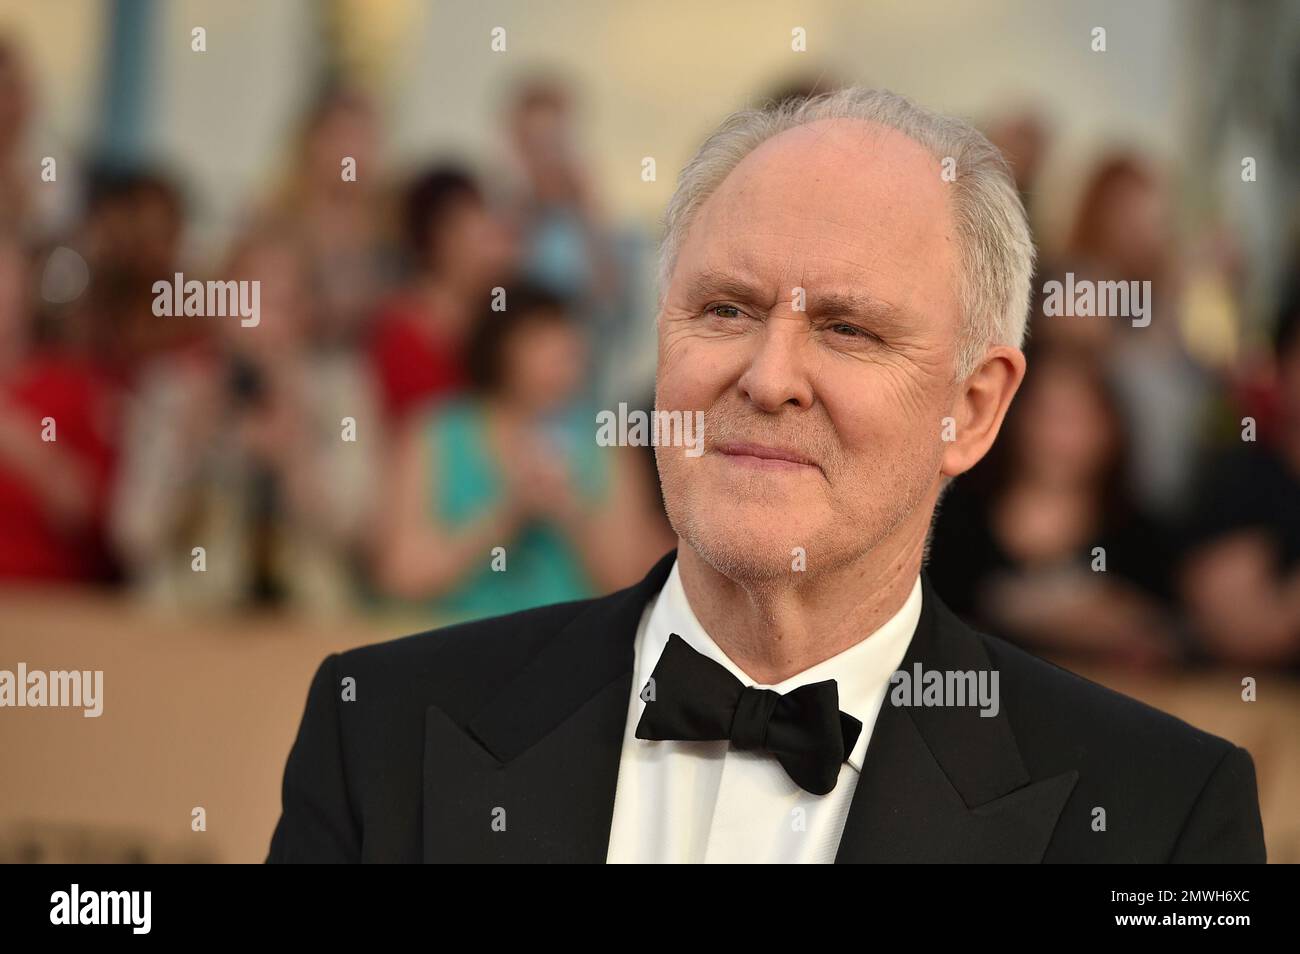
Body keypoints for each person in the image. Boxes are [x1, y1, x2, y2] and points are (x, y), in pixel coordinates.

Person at [269, 88, 1265, 863]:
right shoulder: (383, 735)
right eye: (726, 311)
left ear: (971, 409)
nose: (769, 377)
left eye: (846, 327)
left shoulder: (1153, 816)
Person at [372, 281, 671, 621]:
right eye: (543, 346)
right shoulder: (434, 434)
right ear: (501, 347)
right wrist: (505, 516)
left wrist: (571, 513)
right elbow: (399, 576)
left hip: (569, 647)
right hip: (452, 641)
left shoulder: (607, 445)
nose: (564, 364)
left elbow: (633, 585)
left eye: (570, 350)